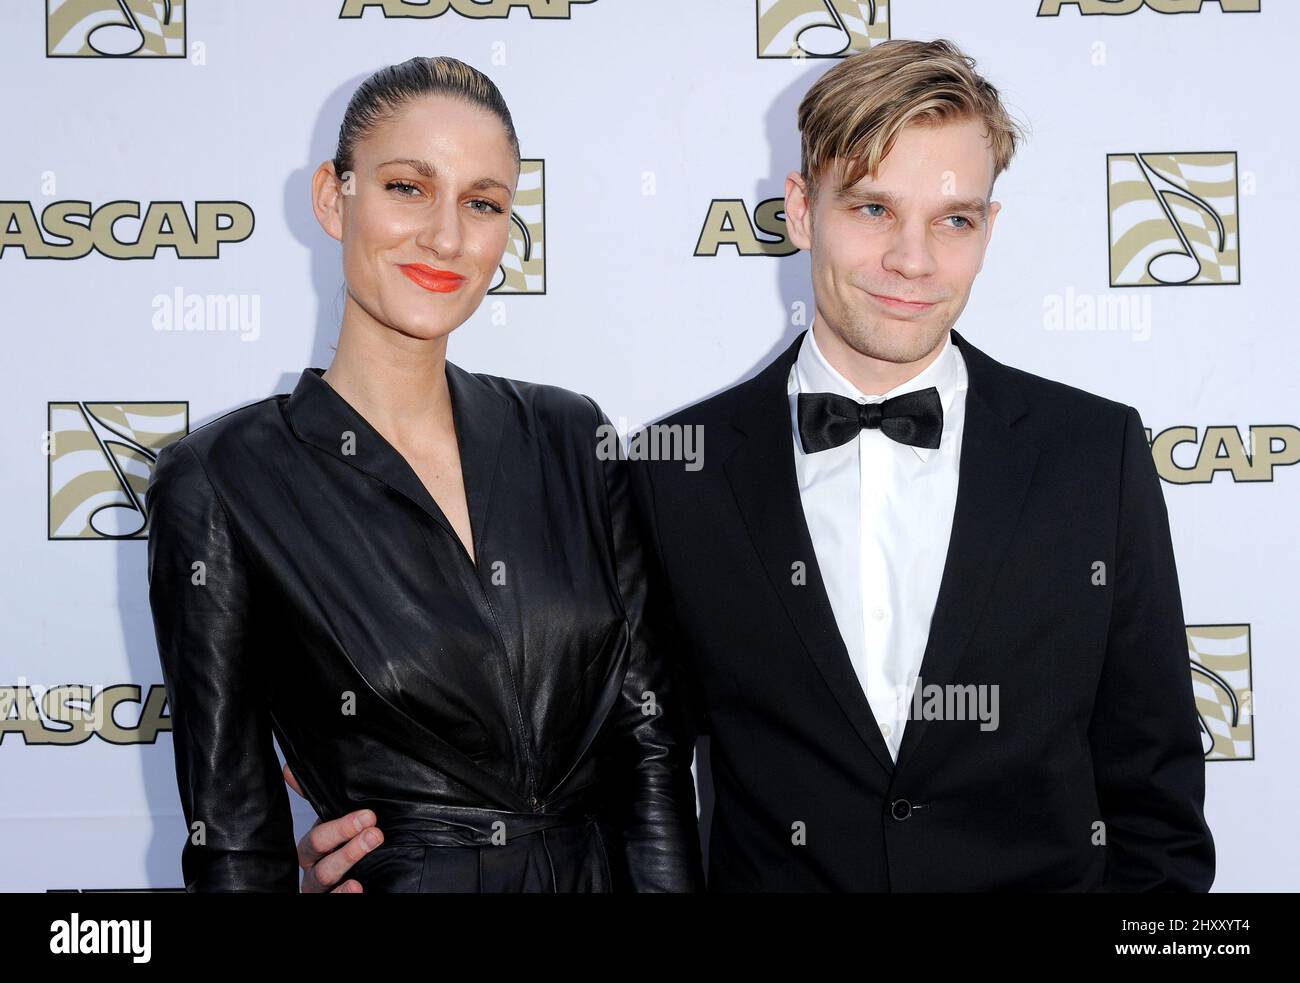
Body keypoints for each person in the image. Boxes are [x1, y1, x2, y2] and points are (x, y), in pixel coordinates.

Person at [296, 39, 1215, 892]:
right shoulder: (673, 473)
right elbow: (604, 767)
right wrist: (393, 850)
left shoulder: (1095, 454)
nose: (912, 259)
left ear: (990, 224)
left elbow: (1155, 793)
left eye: (955, 219)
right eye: (872, 208)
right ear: (801, 209)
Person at [145, 55, 703, 893]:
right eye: (408, 187)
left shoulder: (570, 435)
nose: (446, 236)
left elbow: (651, 748)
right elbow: (231, 834)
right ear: (335, 199)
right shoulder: (223, 480)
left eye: (482, 203)